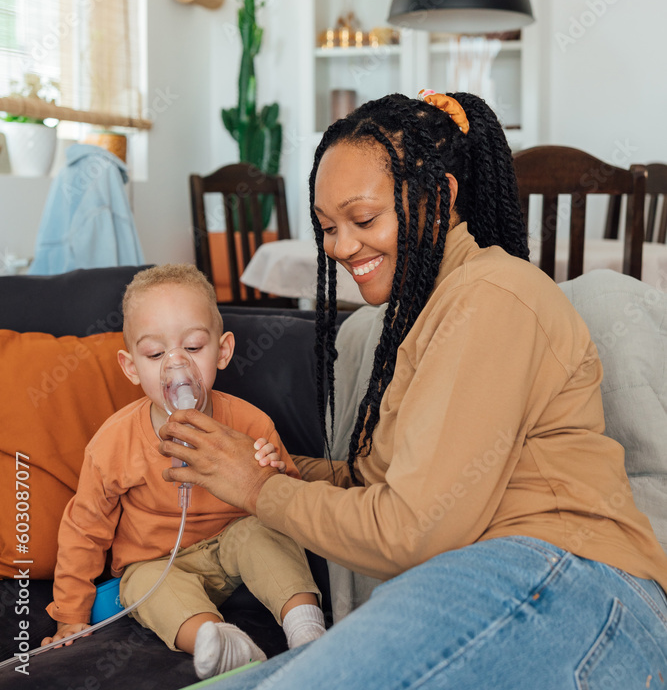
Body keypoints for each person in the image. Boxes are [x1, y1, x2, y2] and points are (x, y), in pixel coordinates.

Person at [158, 93, 667, 689]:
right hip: (506, 579)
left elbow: (410, 528)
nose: (340, 247)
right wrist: (264, 463)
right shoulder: (421, 318)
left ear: (440, 197)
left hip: (574, 580)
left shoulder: (494, 293)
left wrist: (257, 487)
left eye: (364, 219)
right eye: (326, 227)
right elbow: (377, 489)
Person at [43, 264, 325, 679]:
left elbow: (288, 502)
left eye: (193, 347)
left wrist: (275, 474)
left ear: (223, 351)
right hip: (158, 563)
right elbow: (85, 527)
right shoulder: (114, 442)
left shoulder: (250, 423)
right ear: (131, 366)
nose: (176, 367)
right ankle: (218, 641)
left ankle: (307, 629)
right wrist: (70, 614)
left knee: (263, 534)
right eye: (156, 354)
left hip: (233, 545)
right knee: (139, 585)